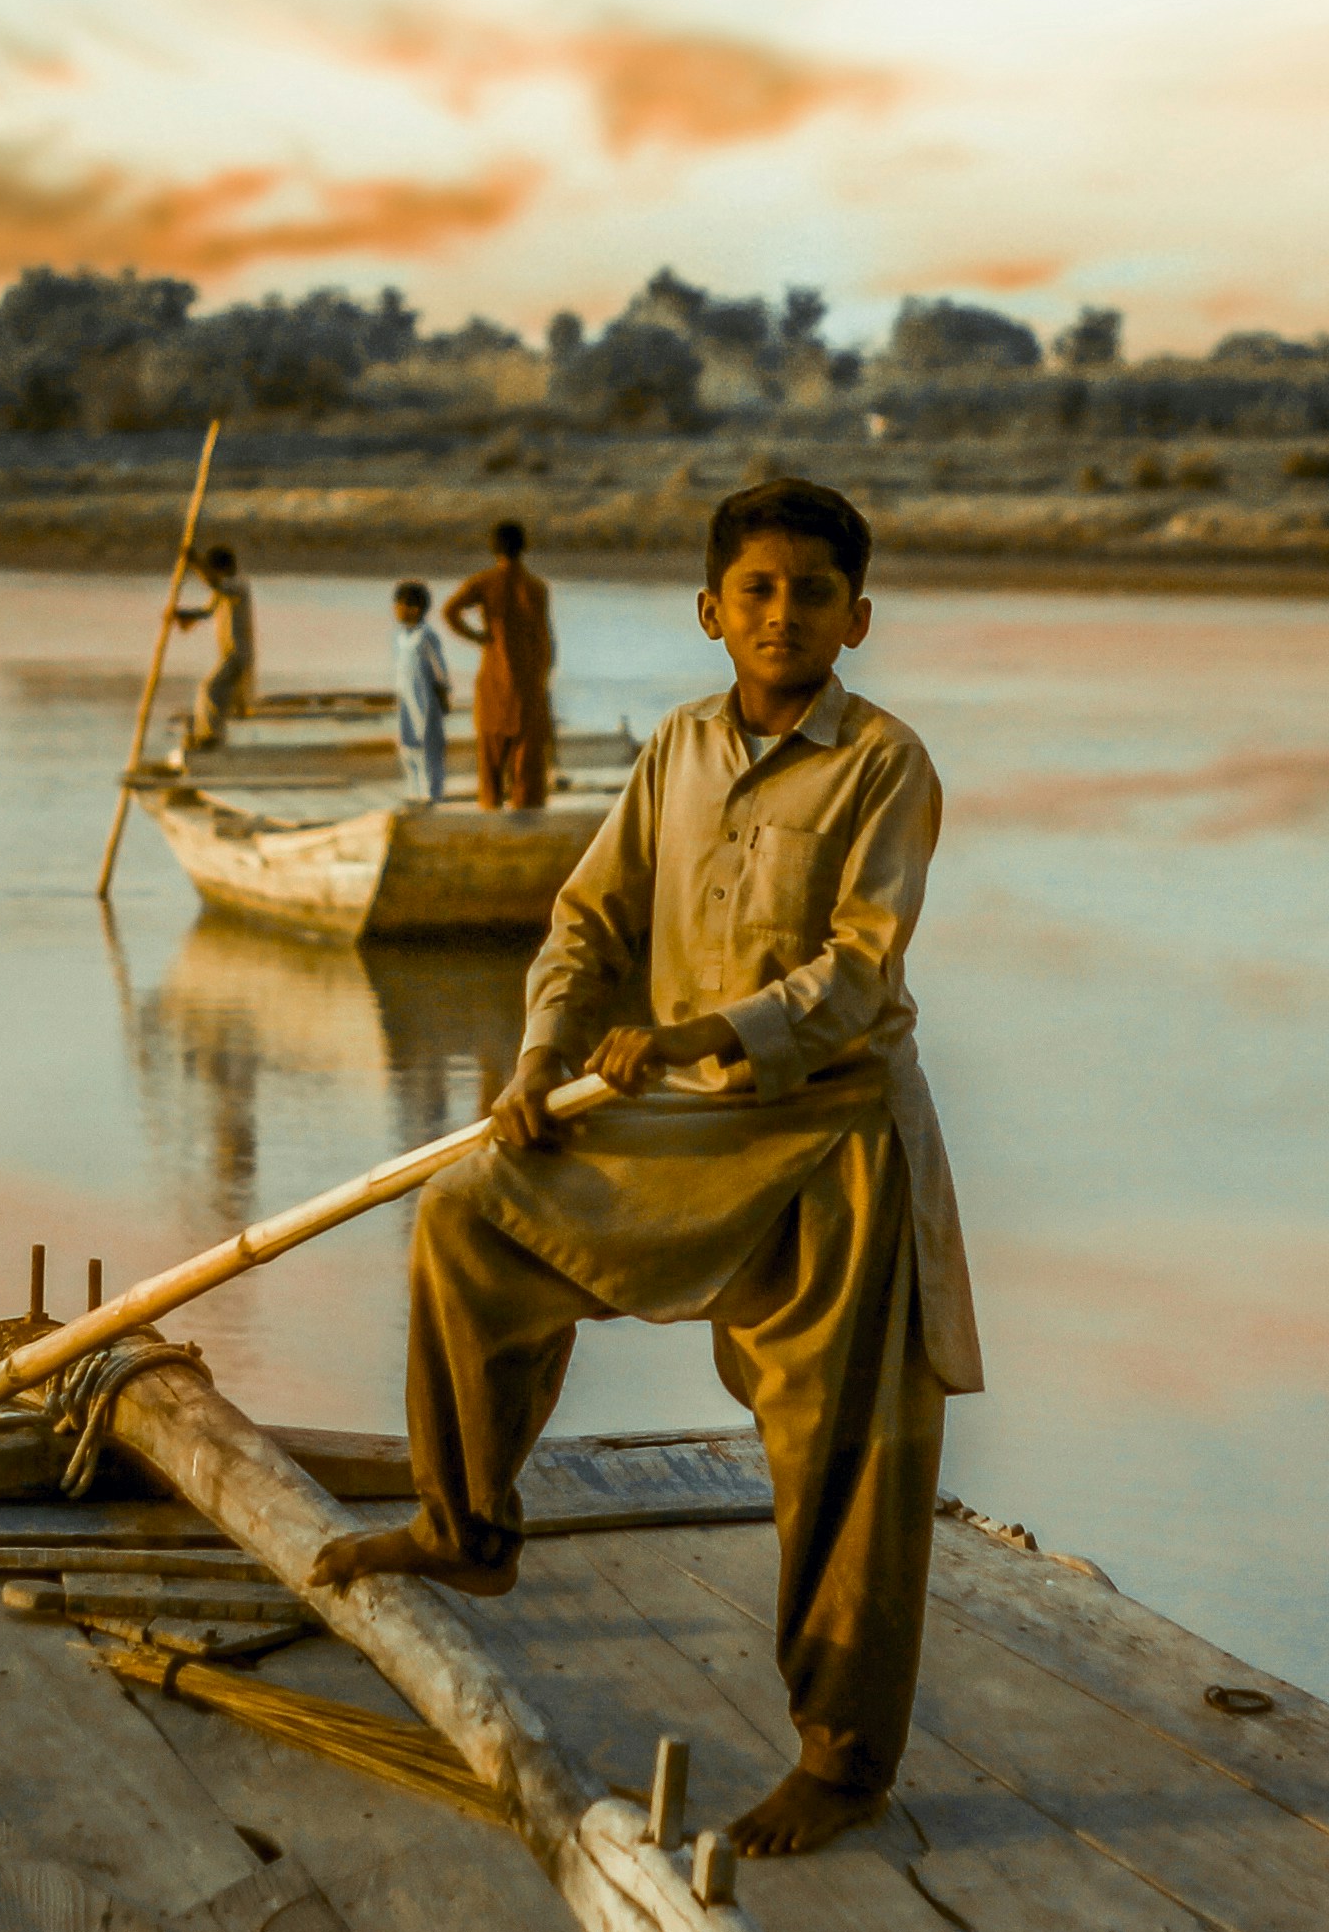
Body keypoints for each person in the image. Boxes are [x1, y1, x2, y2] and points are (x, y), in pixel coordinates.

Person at [321, 479, 978, 1857]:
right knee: (473, 1216)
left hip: (832, 1134)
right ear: (711, 613)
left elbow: (856, 980)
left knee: (842, 1455)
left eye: (812, 591)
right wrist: (540, 1053)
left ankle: (845, 1762)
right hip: (684, 1127)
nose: (783, 612)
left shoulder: (885, 765)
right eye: (756, 590)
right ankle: (466, 1519)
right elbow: (587, 921)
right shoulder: (676, 752)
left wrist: (692, 1032)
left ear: (858, 617)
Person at [444, 521, 555, 808]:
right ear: (524, 547)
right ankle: (527, 829)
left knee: (490, 765)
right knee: (527, 771)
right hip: (528, 683)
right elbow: (545, 642)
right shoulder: (535, 587)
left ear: (494, 548)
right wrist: (543, 680)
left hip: (494, 680)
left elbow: (450, 611)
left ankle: (491, 821)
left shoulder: (485, 582)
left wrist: (479, 636)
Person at [170, 544, 256, 738]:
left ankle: (211, 738)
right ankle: (209, 734)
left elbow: (214, 582)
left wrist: (195, 563)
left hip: (237, 656)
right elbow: (206, 612)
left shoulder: (237, 585)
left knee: (209, 690)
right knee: (217, 695)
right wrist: (180, 615)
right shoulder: (224, 589)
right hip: (229, 655)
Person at [389, 580, 454, 804]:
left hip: (425, 700)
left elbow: (440, 670)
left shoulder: (426, 635)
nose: (395, 609)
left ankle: (432, 794)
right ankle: (414, 791)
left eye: (400, 605)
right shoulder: (400, 636)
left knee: (428, 746)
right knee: (407, 745)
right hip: (406, 699)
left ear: (415, 609)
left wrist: (444, 697)